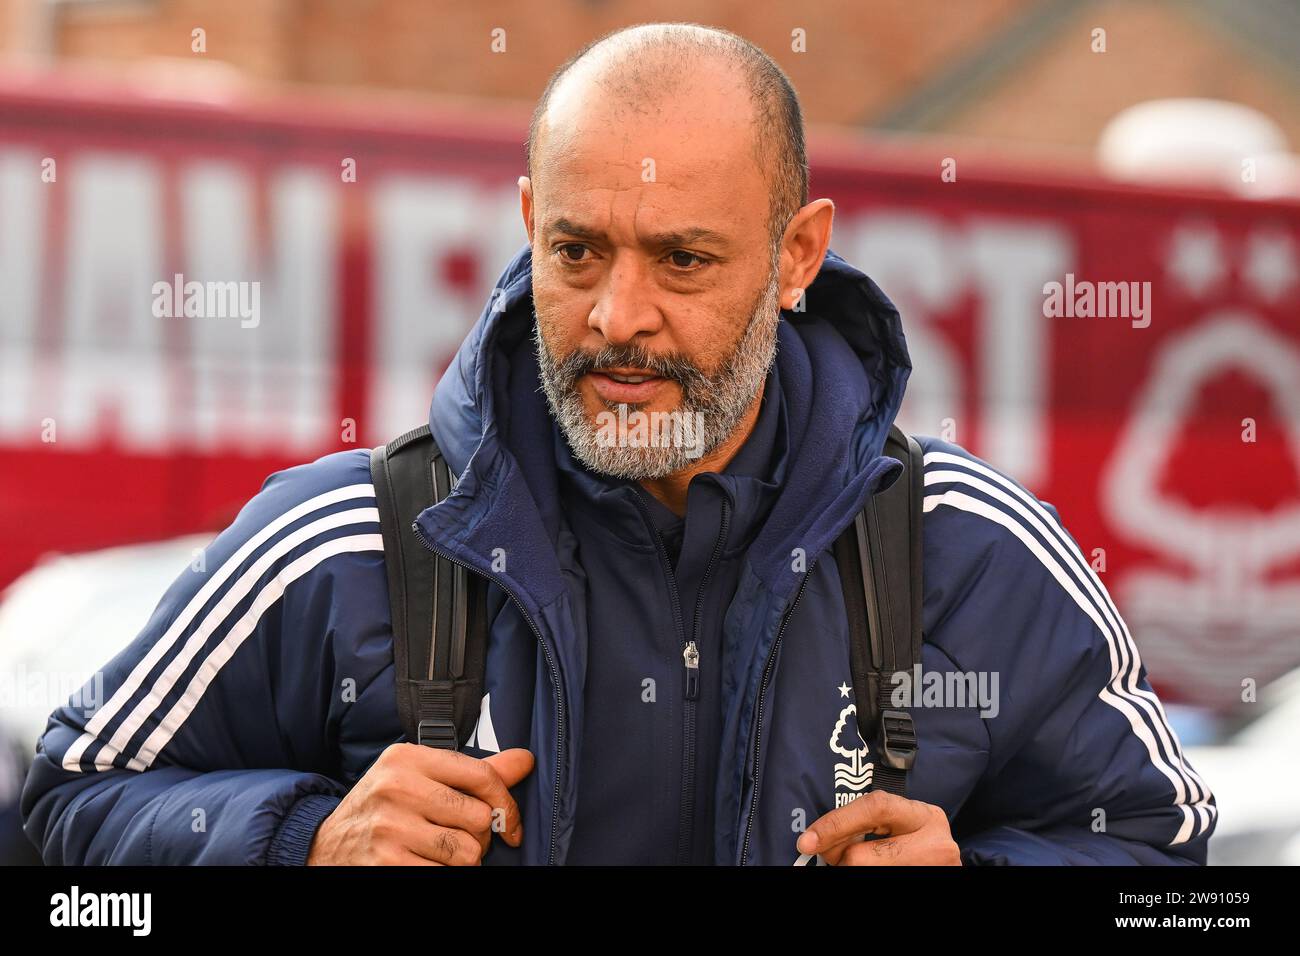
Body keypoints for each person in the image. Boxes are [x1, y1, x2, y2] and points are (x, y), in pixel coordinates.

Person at [21, 22, 1215, 866]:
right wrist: (307, 838)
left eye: (683, 259)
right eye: (578, 250)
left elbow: (1173, 862)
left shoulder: (972, 551)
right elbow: (66, 812)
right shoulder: (345, 539)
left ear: (797, 256)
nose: (616, 316)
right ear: (531, 222)